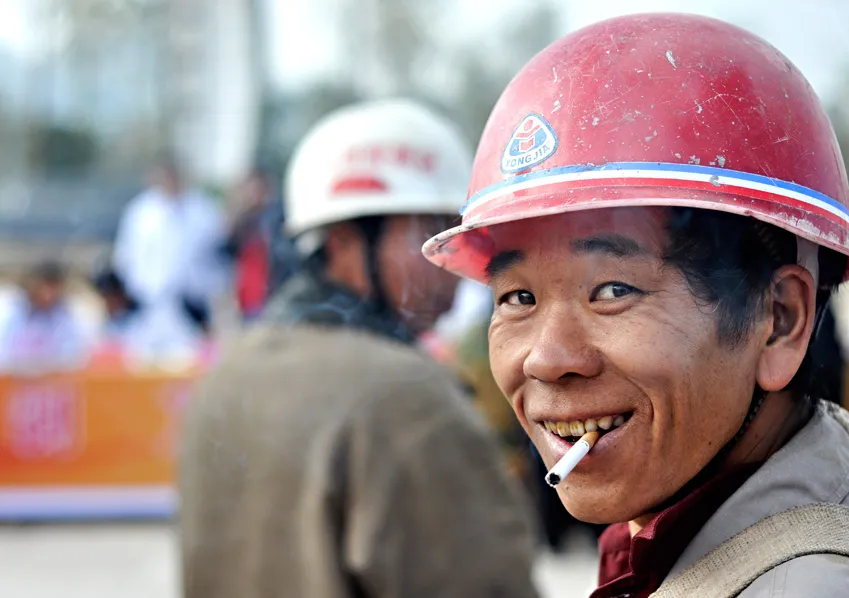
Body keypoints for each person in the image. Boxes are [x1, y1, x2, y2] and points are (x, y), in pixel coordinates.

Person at [422, 14, 849, 597]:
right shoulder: (669, 541)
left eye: (613, 291)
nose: (545, 360)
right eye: (518, 297)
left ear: (778, 321)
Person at [179, 99, 539, 598]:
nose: (454, 269)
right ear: (347, 241)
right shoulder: (407, 398)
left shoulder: (226, 377)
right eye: (431, 234)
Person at [113, 153, 229, 335]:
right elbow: (126, 255)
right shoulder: (141, 211)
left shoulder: (204, 210)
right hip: (148, 301)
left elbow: (217, 255)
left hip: (192, 302)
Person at [223, 167, 293, 321]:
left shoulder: (276, 216)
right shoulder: (243, 220)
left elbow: (284, 253)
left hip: (271, 295)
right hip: (247, 298)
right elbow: (226, 251)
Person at [0, 261, 91, 372]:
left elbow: (74, 355)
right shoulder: (11, 309)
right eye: (45, 286)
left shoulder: (65, 315)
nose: (49, 293)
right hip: (14, 383)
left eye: (53, 287)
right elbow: (4, 354)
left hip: (54, 384)